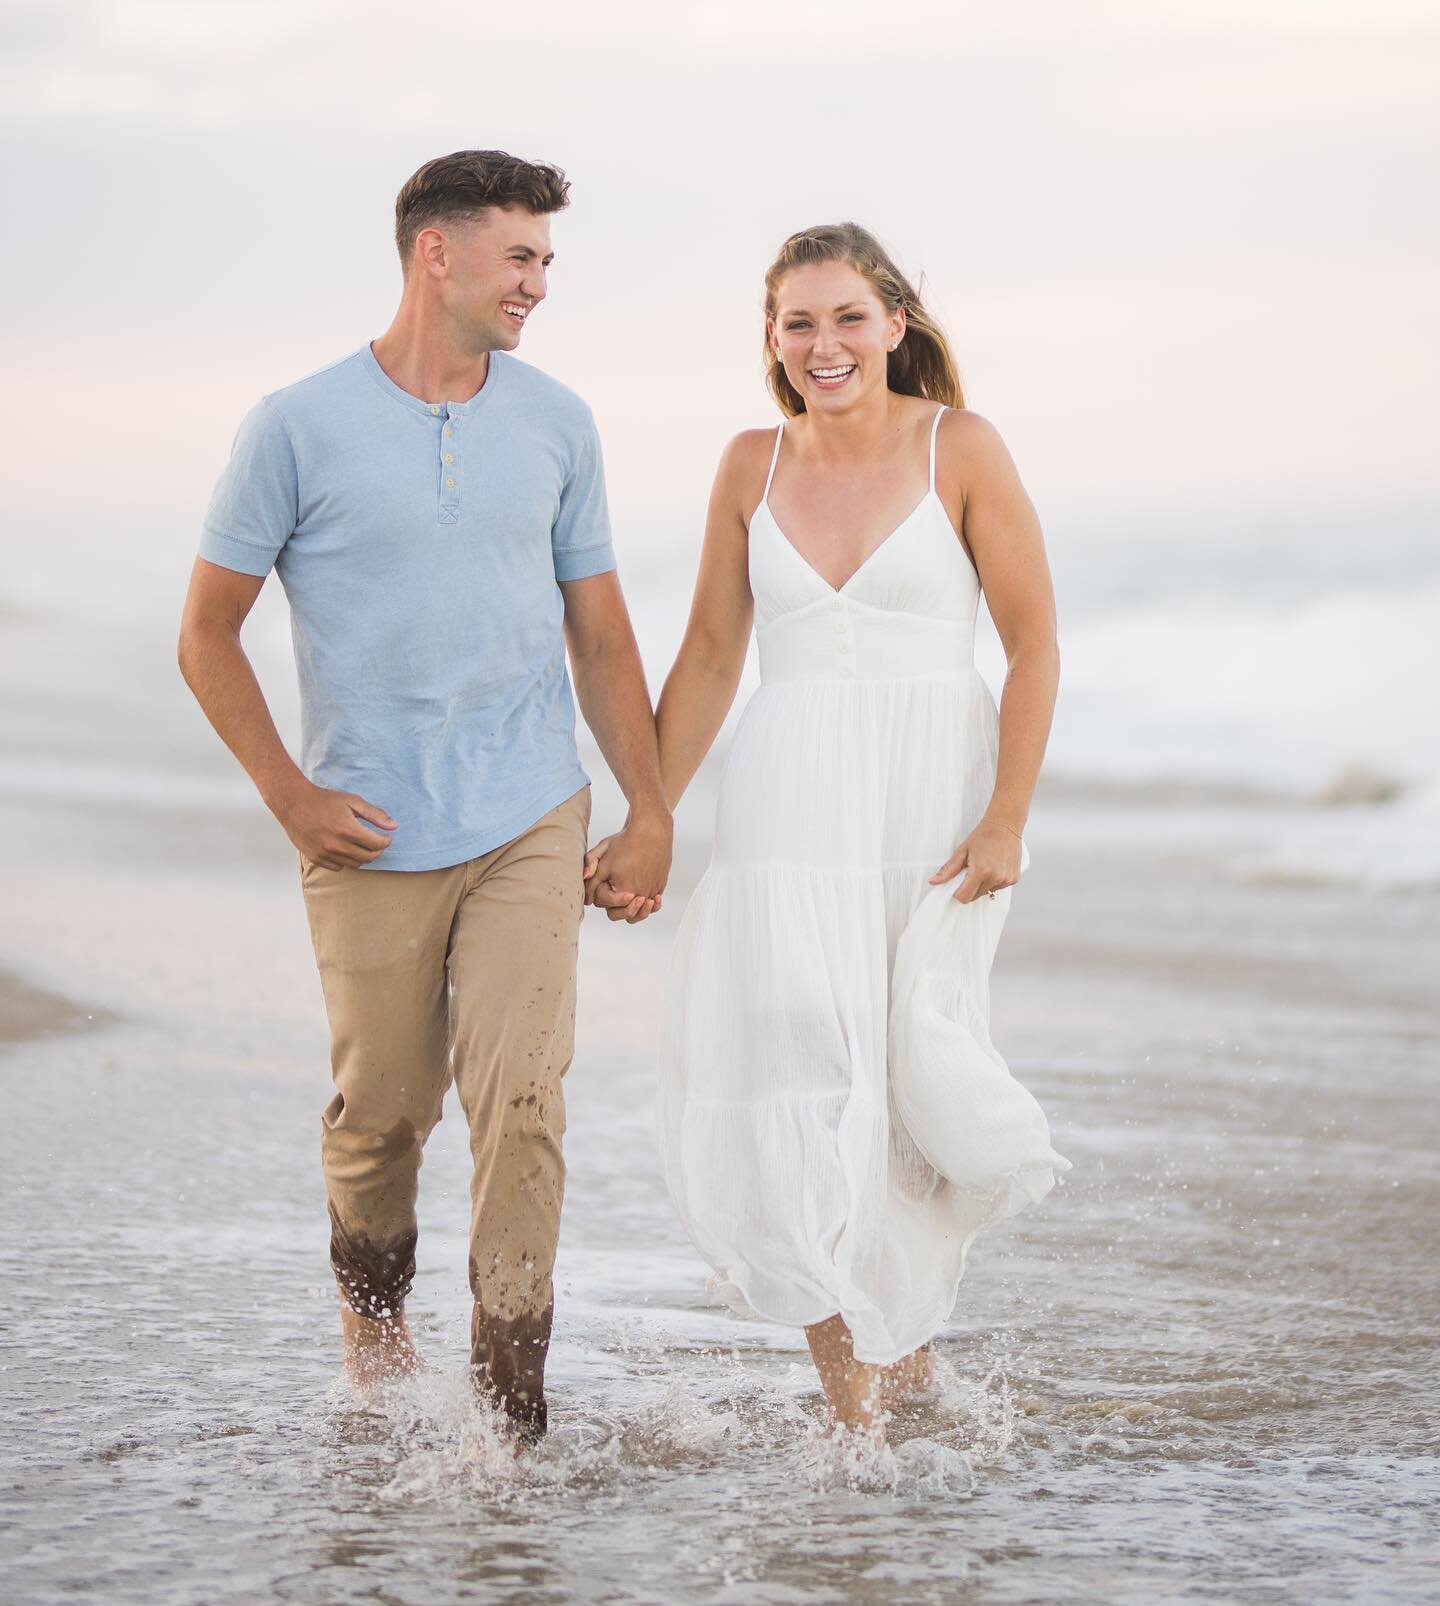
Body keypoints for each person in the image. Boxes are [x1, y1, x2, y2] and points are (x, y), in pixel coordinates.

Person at [178, 150, 671, 1442]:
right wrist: (290, 794)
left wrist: (651, 807)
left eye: (548, 262)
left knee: (524, 1101)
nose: (539, 286)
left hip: (529, 810)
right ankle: (378, 1334)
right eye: (521, 258)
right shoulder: (296, 425)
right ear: (434, 254)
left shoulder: (560, 422)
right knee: (385, 1111)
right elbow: (208, 634)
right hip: (368, 822)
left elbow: (604, 638)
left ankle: (513, 1414)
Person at [587, 222, 1070, 1437]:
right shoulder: (749, 463)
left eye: (848, 316)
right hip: (787, 808)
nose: (825, 344)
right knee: (803, 1081)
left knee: (906, 1088)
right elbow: (708, 654)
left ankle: (904, 1361)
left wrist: (1008, 813)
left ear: (896, 322)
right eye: (798, 323)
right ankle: (853, 1411)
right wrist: (650, 812)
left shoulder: (961, 445)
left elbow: (1034, 644)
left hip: (929, 812)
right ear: (772, 340)